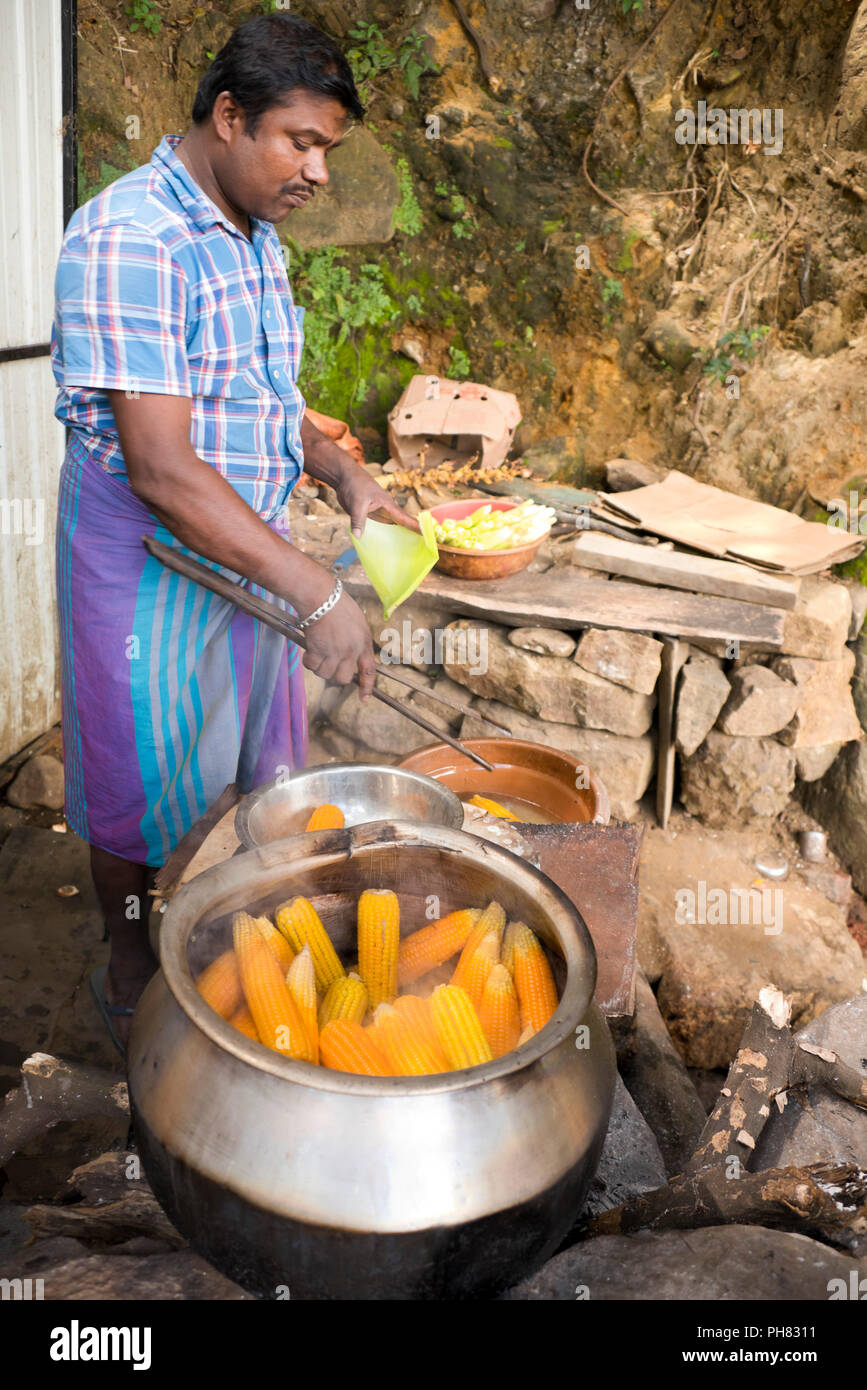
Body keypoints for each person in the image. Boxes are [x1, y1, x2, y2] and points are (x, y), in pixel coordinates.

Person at [51, 12, 416, 1048]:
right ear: (227, 116)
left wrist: (347, 475)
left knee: (254, 755)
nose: (315, 171)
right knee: (133, 769)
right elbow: (164, 465)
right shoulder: (133, 238)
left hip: (241, 537)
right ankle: (129, 961)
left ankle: (244, 936)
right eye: (298, 142)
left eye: (327, 152)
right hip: (149, 540)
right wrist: (319, 591)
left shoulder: (253, 237)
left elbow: (259, 396)